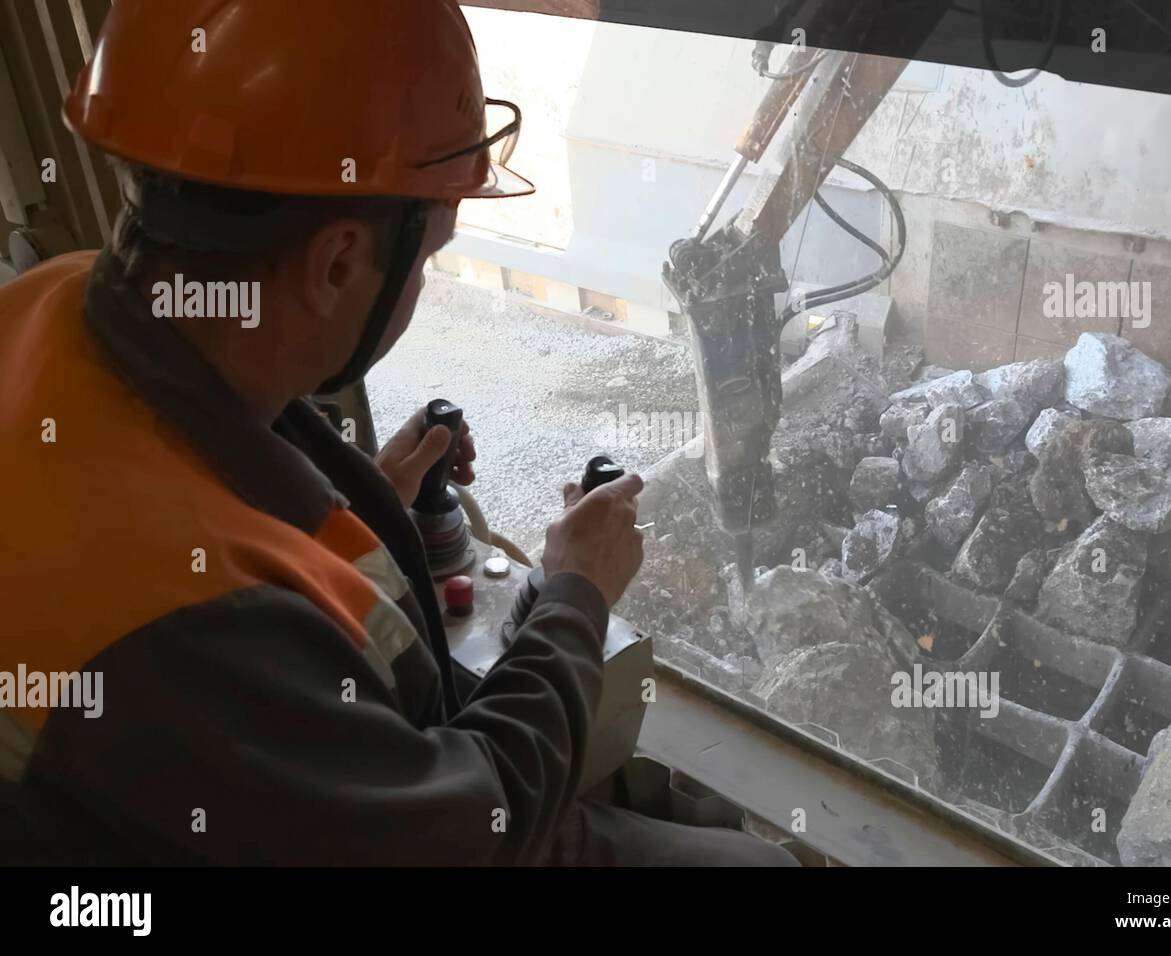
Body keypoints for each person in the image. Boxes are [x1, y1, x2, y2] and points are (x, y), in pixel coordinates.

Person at [0, 0, 795, 866]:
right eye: (426, 259)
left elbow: (192, 486)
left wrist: (363, 504)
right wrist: (575, 592)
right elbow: (474, 824)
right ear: (338, 262)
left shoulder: (52, 298)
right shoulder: (186, 625)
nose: (422, 282)